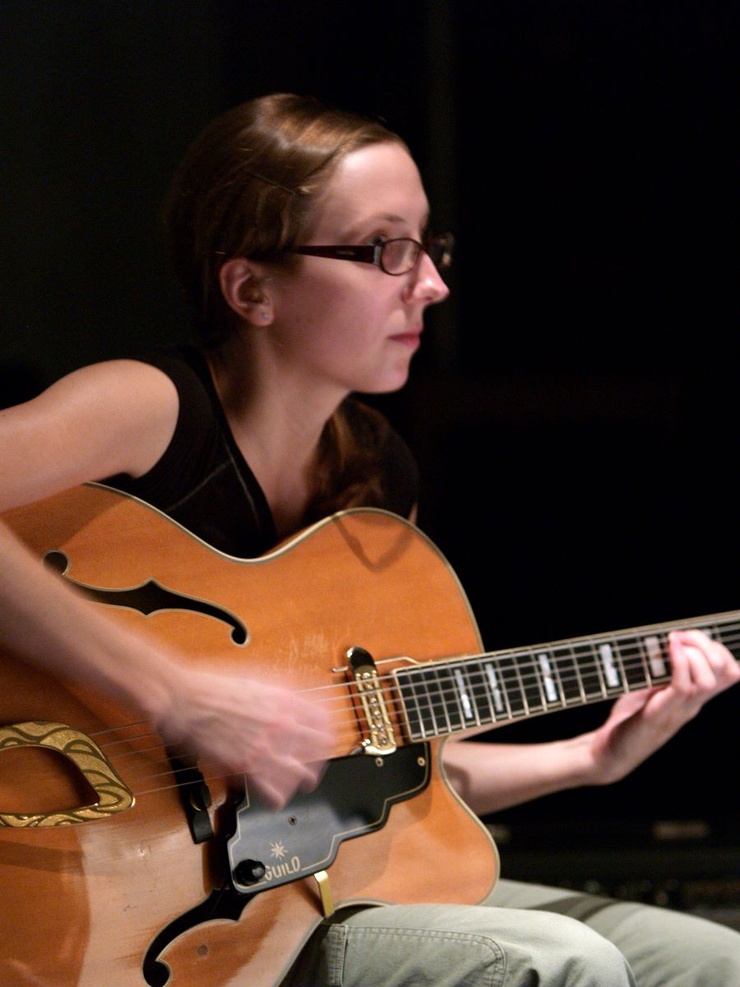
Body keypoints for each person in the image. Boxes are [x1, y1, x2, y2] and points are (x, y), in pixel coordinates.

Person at [0, 92, 737, 987]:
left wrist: (589, 758)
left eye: (430, 247)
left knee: (716, 960)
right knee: (566, 963)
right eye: (385, 249)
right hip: (166, 926)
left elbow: (391, 765)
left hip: (312, 892)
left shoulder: (377, 475)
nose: (430, 283)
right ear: (251, 288)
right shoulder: (149, 408)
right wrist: (172, 691)